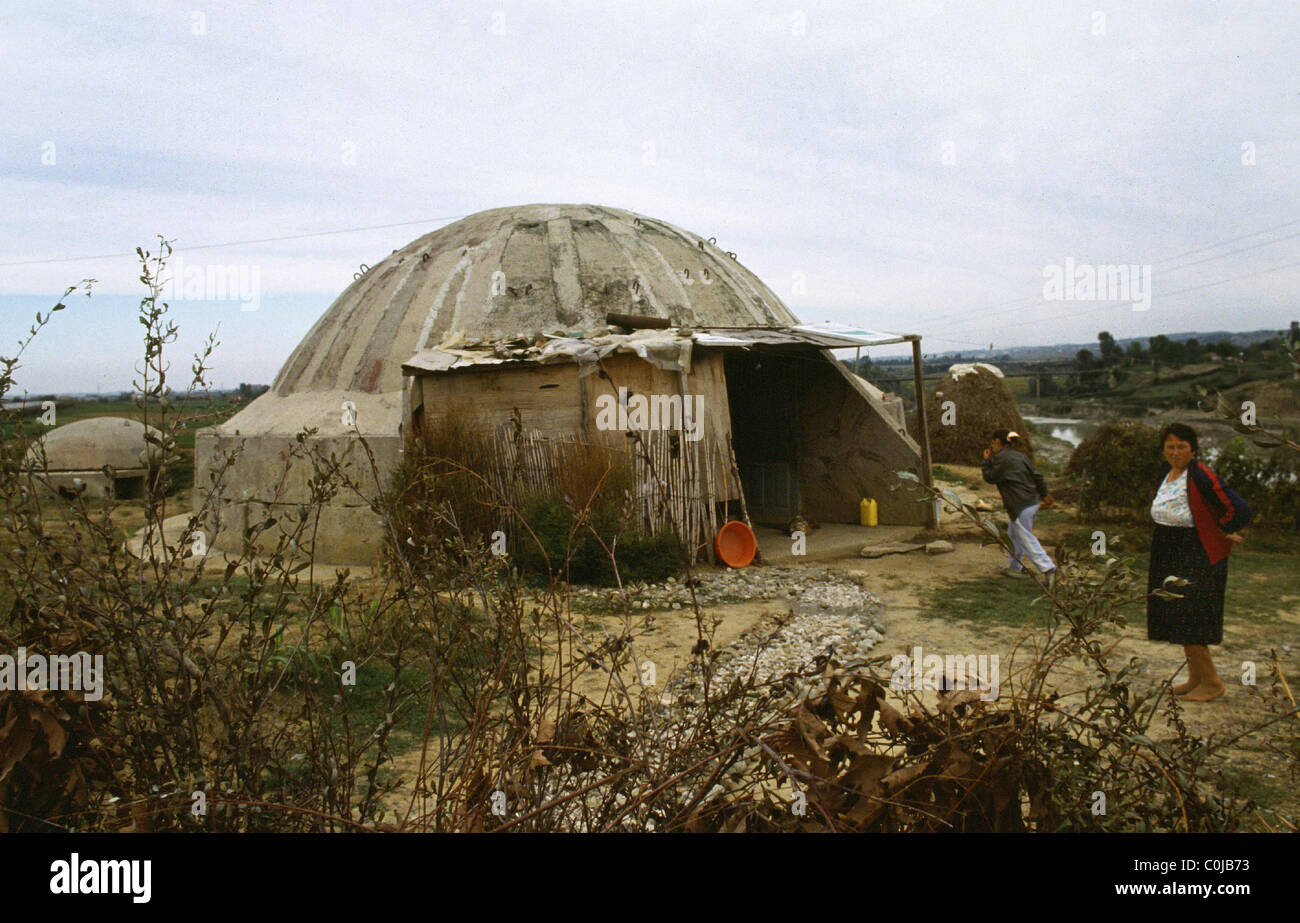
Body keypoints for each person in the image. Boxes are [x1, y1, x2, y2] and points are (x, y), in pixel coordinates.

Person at [1147, 422, 1250, 702]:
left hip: (1195, 552)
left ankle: (1213, 682)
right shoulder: (1165, 473)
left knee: (1190, 614)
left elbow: (1238, 507)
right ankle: (1195, 678)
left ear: (1193, 449)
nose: (1176, 452)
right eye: (1171, 446)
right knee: (1176, 614)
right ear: (1164, 449)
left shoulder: (1201, 474)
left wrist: (1225, 528)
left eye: (1182, 446)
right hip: (1167, 548)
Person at [982, 429, 1057, 587]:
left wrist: (986, 461)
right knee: (1014, 535)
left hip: (1019, 504)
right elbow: (1037, 476)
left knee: (1026, 539)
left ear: (997, 441)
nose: (992, 446)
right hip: (1031, 501)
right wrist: (1044, 494)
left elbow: (990, 477)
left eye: (992, 442)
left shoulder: (1001, 459)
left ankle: (1048, 569)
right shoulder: (1020, 456)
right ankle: (1015, 568)